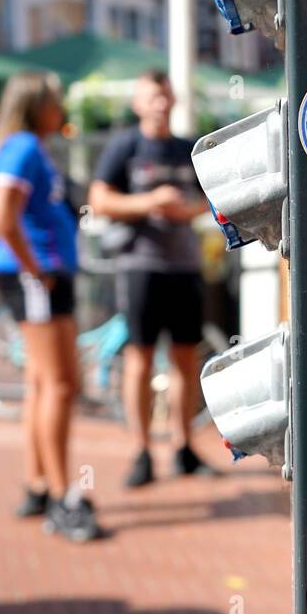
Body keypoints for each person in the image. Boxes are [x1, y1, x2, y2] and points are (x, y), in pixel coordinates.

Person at [0, 72, 100, 543]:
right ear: (36, 105)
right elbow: (0, 218)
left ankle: (39, 485)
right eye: (56, 101)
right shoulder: (23, 148)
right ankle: (60, 496)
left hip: (42, 274)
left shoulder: (27, 147)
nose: (62, 110)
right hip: (38, 277)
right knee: (61, 383)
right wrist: (35, 268)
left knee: (40, 382)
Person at [88, 70, 209, 486]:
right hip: (140, 267)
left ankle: (184, 446)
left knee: (185, 358)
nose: (160, 103)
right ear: (138, 103)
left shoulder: (188, 148)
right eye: (152, 96)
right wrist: (150, 202)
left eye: (165, 95)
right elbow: (99, 200)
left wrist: (186, 211)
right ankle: (140, 451)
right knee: (138, 358)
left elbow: (211, 201)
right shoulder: (125, 146)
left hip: (185, 266)